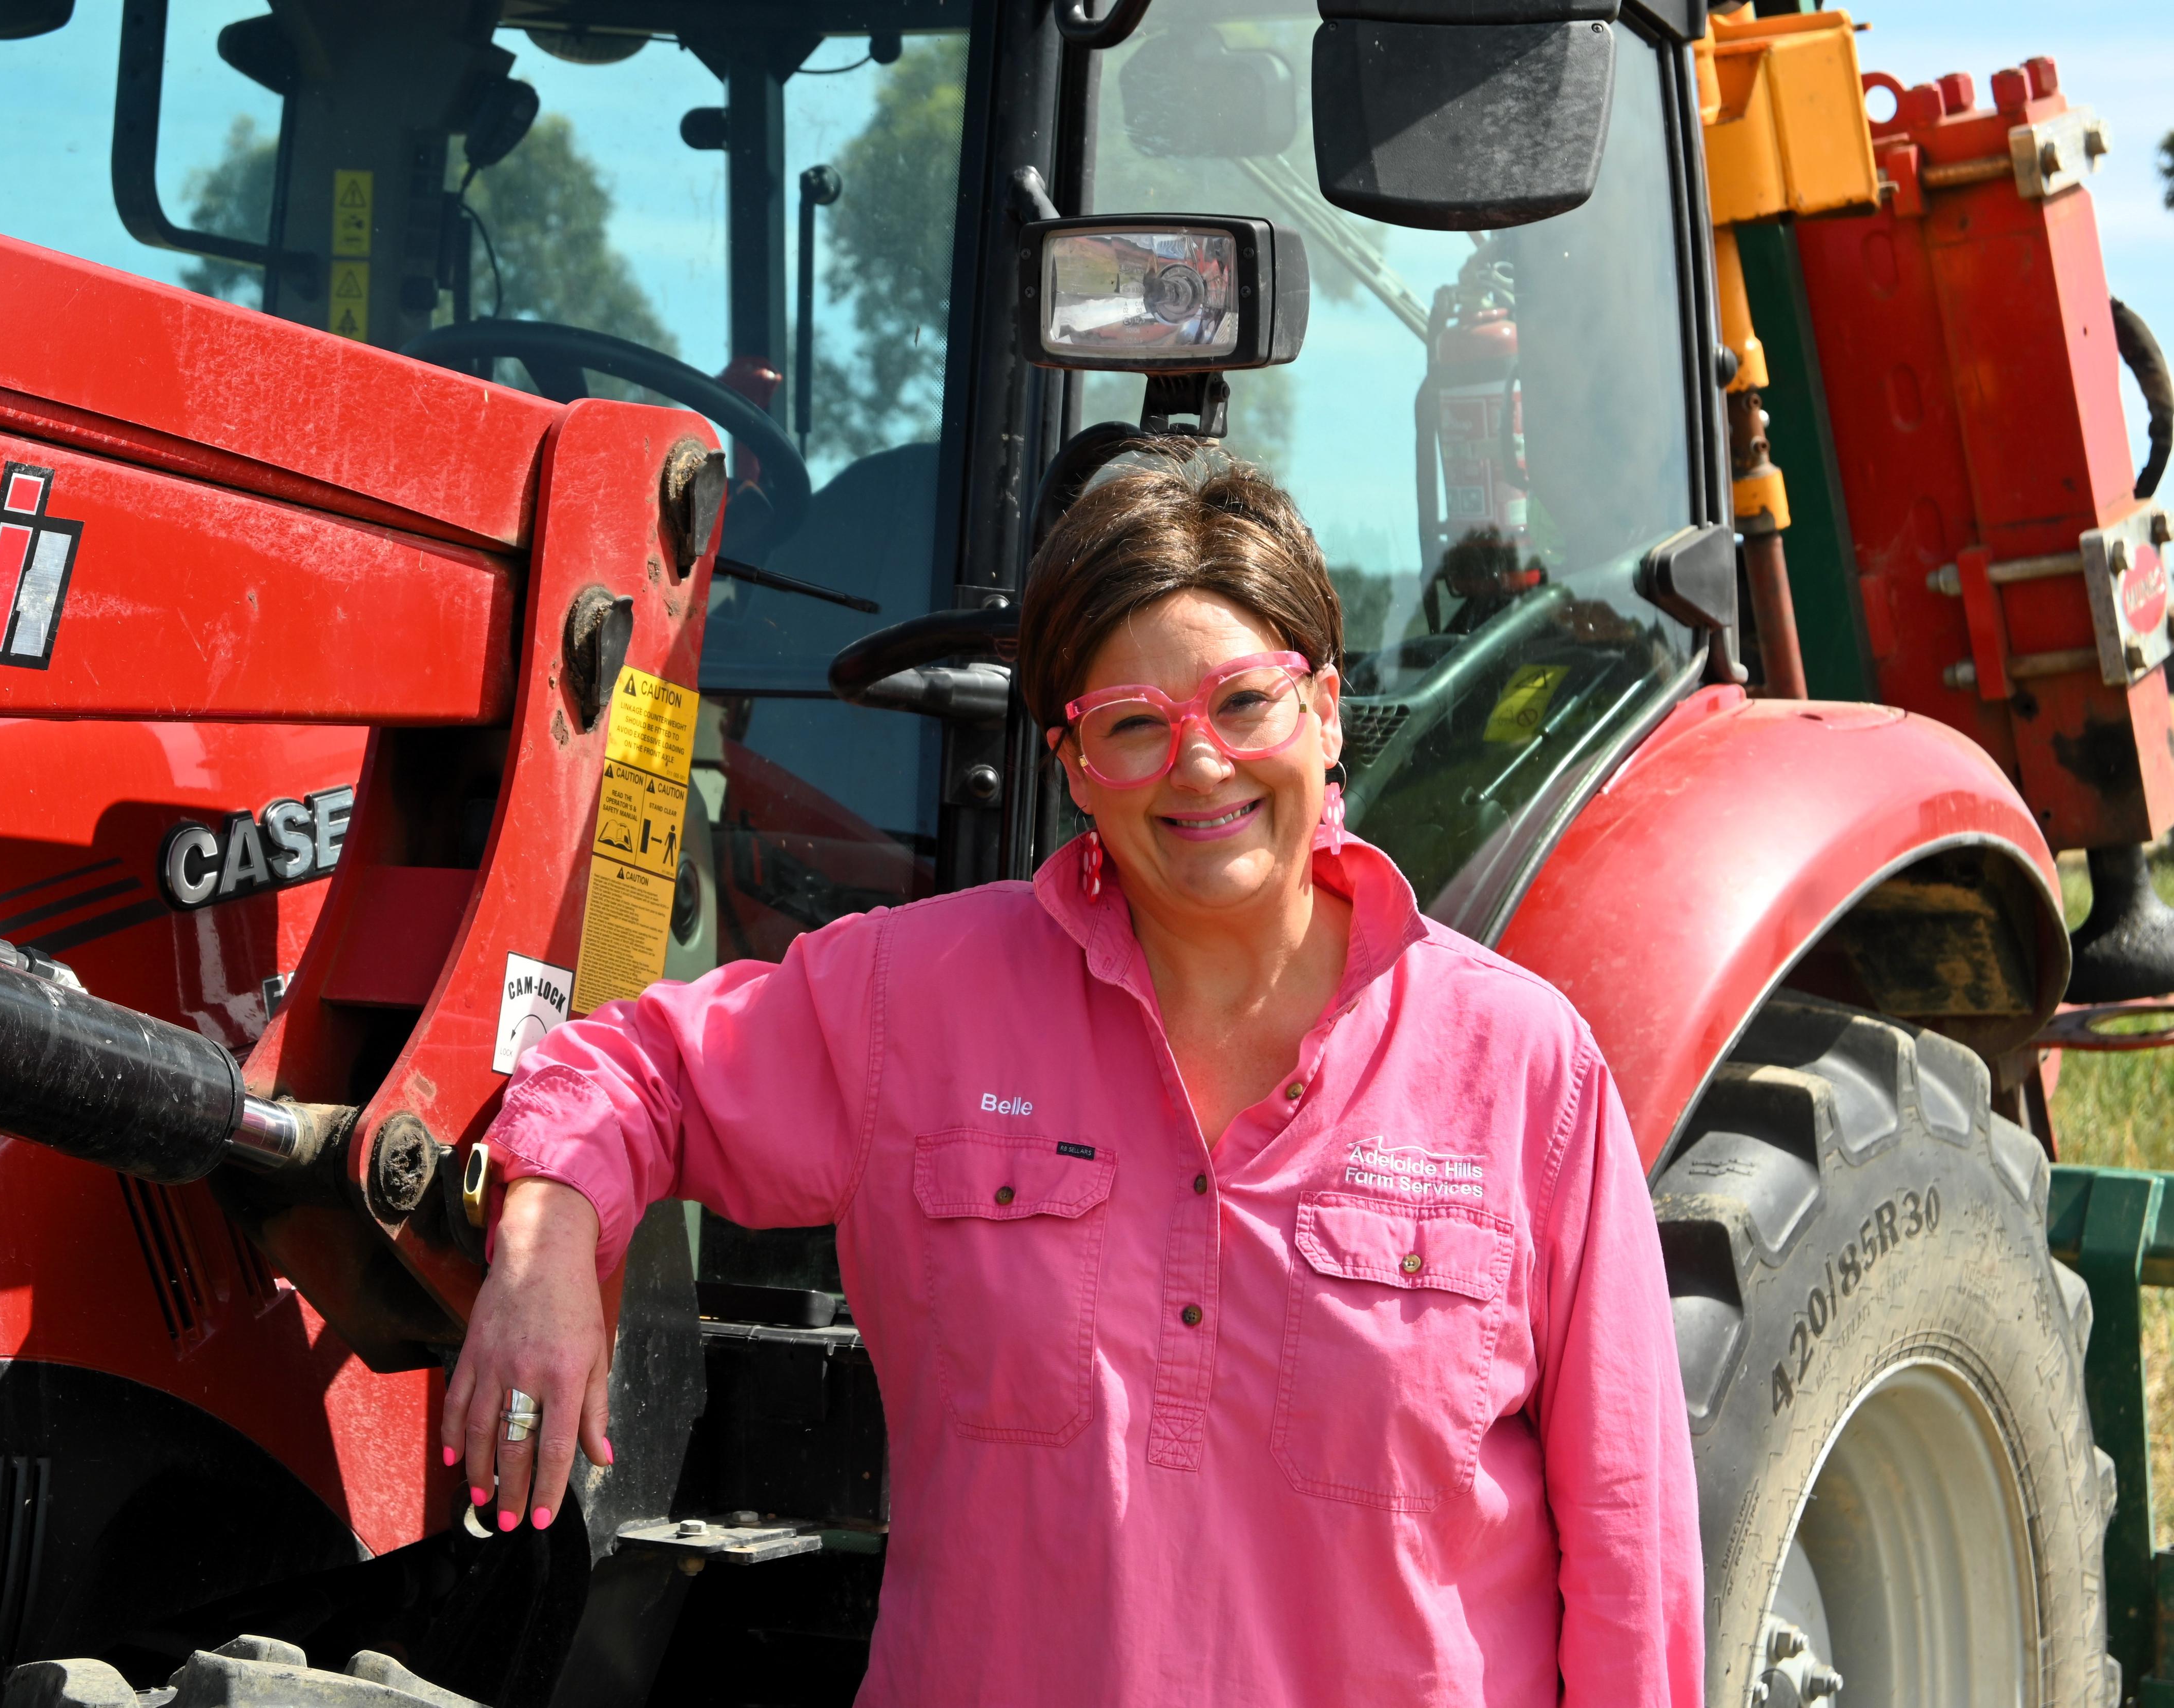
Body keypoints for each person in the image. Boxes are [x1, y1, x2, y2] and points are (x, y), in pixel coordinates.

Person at [443, 445, 1703, 1706]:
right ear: (1073, 767)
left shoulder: (1522, 1068)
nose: (1198, 764)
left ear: (1325, 711)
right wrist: (545, 1244)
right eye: (1134, 725)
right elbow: (639, 1068)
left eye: (1244, 703)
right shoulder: (920, 999)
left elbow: (1628, 1545)